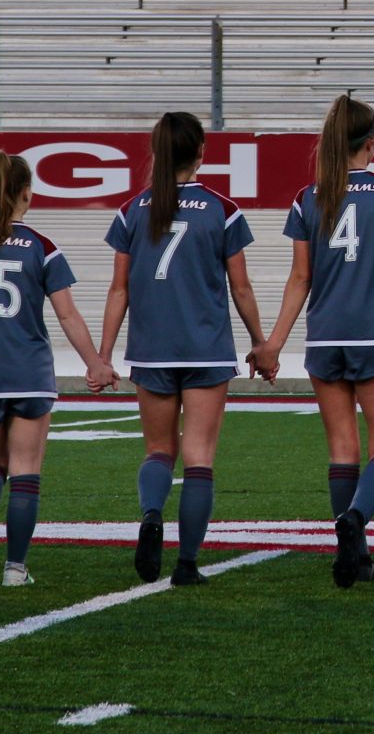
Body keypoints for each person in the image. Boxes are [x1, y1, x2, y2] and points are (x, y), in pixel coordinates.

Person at [260, 95, 374, 589]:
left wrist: (274, 343)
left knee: (343, 450)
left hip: (324, 340)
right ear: (373, 144)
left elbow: (300, 278)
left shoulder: (308, 196)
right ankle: (356, 521)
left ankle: (354, 556)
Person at [0, 150, 118, 587]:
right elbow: (68, 315)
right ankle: (15, 568)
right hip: (29, 372)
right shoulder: (42, 248)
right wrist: (96, 364)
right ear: (27, 194)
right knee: (26, 469)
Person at [100, 110, 266, 588]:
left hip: (151, 349)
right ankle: (187, 564)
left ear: (155, 152)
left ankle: (152, 515)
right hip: (206, 350)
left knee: (157, 451)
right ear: (200, 153)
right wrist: (261, 342)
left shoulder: (133, 210)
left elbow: (119, 289)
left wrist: (104, 355)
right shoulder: (221, 209)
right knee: (199, 458)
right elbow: (242, 287)